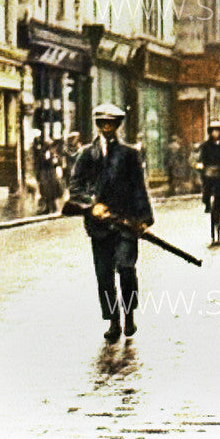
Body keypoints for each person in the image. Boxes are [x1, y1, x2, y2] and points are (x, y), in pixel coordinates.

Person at [68, 103, 155, 342]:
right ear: (97, 125)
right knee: (104, 276)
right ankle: (113, 320)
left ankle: (129, 314)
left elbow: (139, 188)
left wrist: (144, 219)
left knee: (126, 270)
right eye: (102, 123)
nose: (107, 128)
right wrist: (90, 205)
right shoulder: (87, 154)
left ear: (118, 126)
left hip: (126, 222)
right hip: (100, 227)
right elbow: (75, 187)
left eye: (111, 123)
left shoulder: (129, 154)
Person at [197, 121, 220, 233]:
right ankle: (207, 202)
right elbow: (201, 158)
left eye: (218, 131)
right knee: (206, 185)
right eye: (213, 131)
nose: (215, 133)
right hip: (210, 172)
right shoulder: (205, 145)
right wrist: (200, 164)